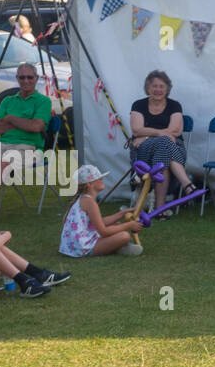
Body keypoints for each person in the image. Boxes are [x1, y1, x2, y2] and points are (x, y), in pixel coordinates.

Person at [0, 62, 52, 220]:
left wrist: (11, 119)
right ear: (17, 79)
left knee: (3, 165)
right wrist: (25, 123)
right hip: (3, 142)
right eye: (22, 77)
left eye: (30, 77)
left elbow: (36, 127)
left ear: (36, 78)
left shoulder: (43, 101)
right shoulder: (7, 100)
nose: (26, 81)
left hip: (29, 146)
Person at [129, 70, 199, 218]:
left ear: (167, 89)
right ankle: (185, 186)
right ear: (148, 88)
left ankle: (159, 208)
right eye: (154, 86)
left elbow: (175, 130)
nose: (158, 90)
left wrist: (147, 134)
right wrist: (159, 134)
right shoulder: (138, 105)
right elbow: (136, 130)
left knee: (163, 153)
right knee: (165, 142)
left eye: (161, 86)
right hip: (143, 148)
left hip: (172, 147)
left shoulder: (174, 105)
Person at [60, 164, 144, 257]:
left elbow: (100, 222)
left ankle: (118, 247)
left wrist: (121, 214)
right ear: (89, 185)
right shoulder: (89, 202)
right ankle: (119, 247)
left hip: (75, 245)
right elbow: (103, 231)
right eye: (99, 178)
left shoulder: (85, 199)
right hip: (83, 248)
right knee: (124, 236)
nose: (102, 179)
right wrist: (129, 225)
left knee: (116, 225)